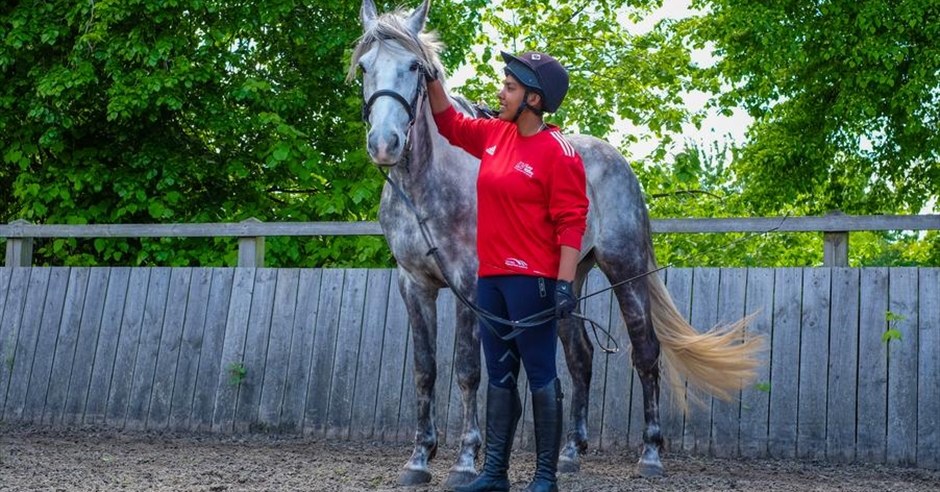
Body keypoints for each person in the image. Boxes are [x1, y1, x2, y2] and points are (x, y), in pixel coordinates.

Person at [425, 51, 589, 492]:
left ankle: (544, 478)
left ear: (534, 99)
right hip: (491, 280)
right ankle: (495, 474)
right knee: (498, 376)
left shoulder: (559, 152)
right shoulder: (495, 134)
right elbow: (450, 125)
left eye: (510, 88)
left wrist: (563, 284)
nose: (500, 93)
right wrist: (430, 74)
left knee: (539, 375)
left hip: (533, 281)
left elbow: (572, 220)